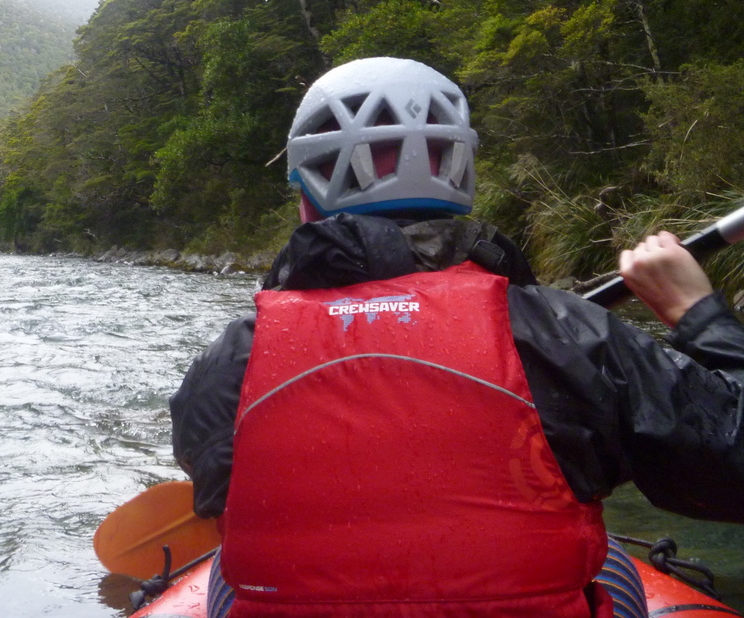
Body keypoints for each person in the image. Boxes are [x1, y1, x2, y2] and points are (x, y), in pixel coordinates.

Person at [170, 57, 744, 618]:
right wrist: (696, 313)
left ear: (307, 195)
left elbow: (214, 486)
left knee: (228, 563)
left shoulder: (233, 359)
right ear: (461, 178)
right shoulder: (566, 332)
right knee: (609, 555)